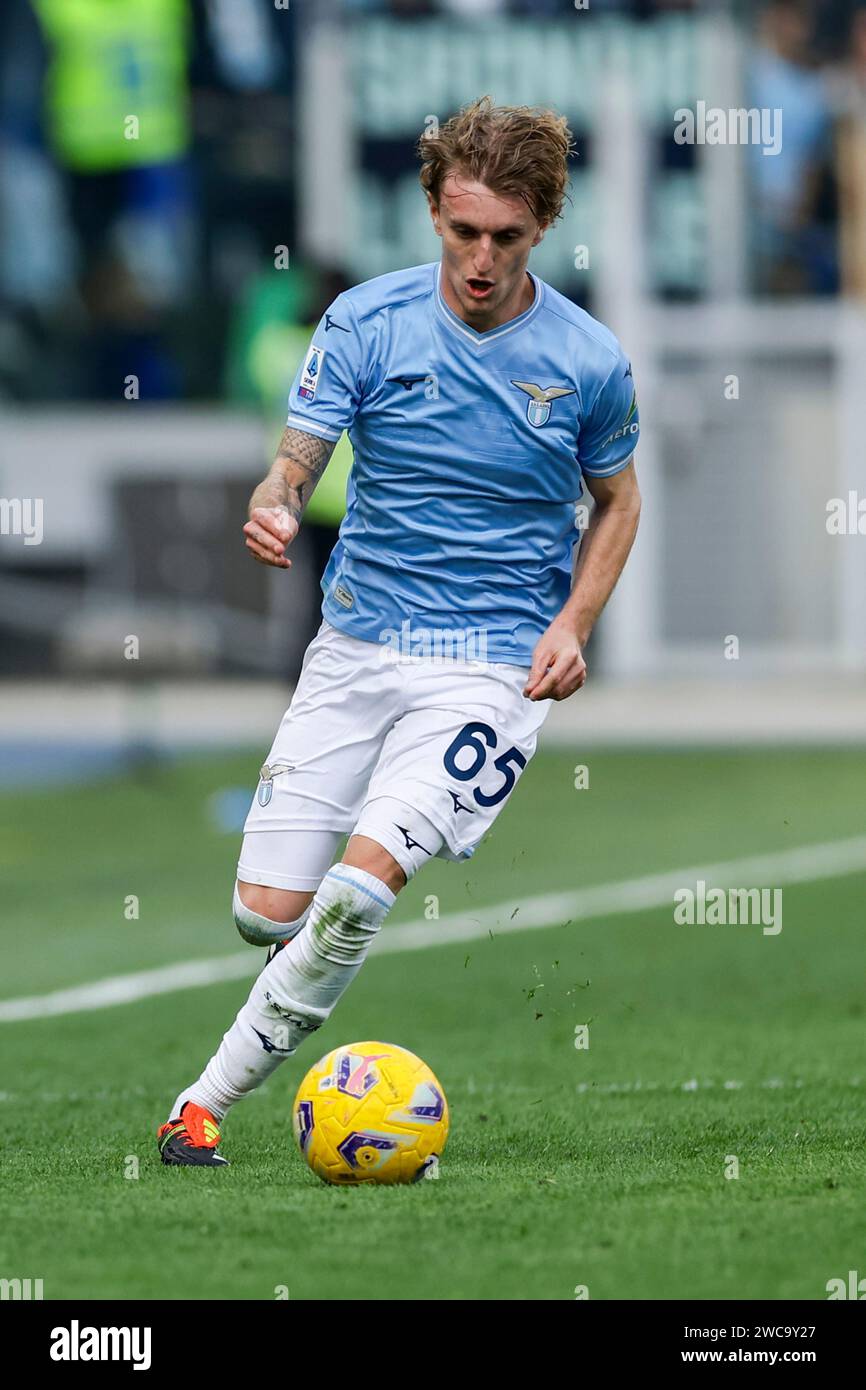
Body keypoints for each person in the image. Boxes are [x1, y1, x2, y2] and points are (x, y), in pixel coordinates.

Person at [157, 96, 642, 1167]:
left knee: (354, 894)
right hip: (356, 645)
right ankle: (288, 973)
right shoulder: (364, 321)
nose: (479, 258)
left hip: (493, 670)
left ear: (541, 228)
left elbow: (617, 500)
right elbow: (297, 455)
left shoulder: (587, 359)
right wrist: (279, 495)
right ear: (430, 206)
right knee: (264, 911)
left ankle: (200, 1105)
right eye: (462, 230)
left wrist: (575, 620)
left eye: (505, 237)